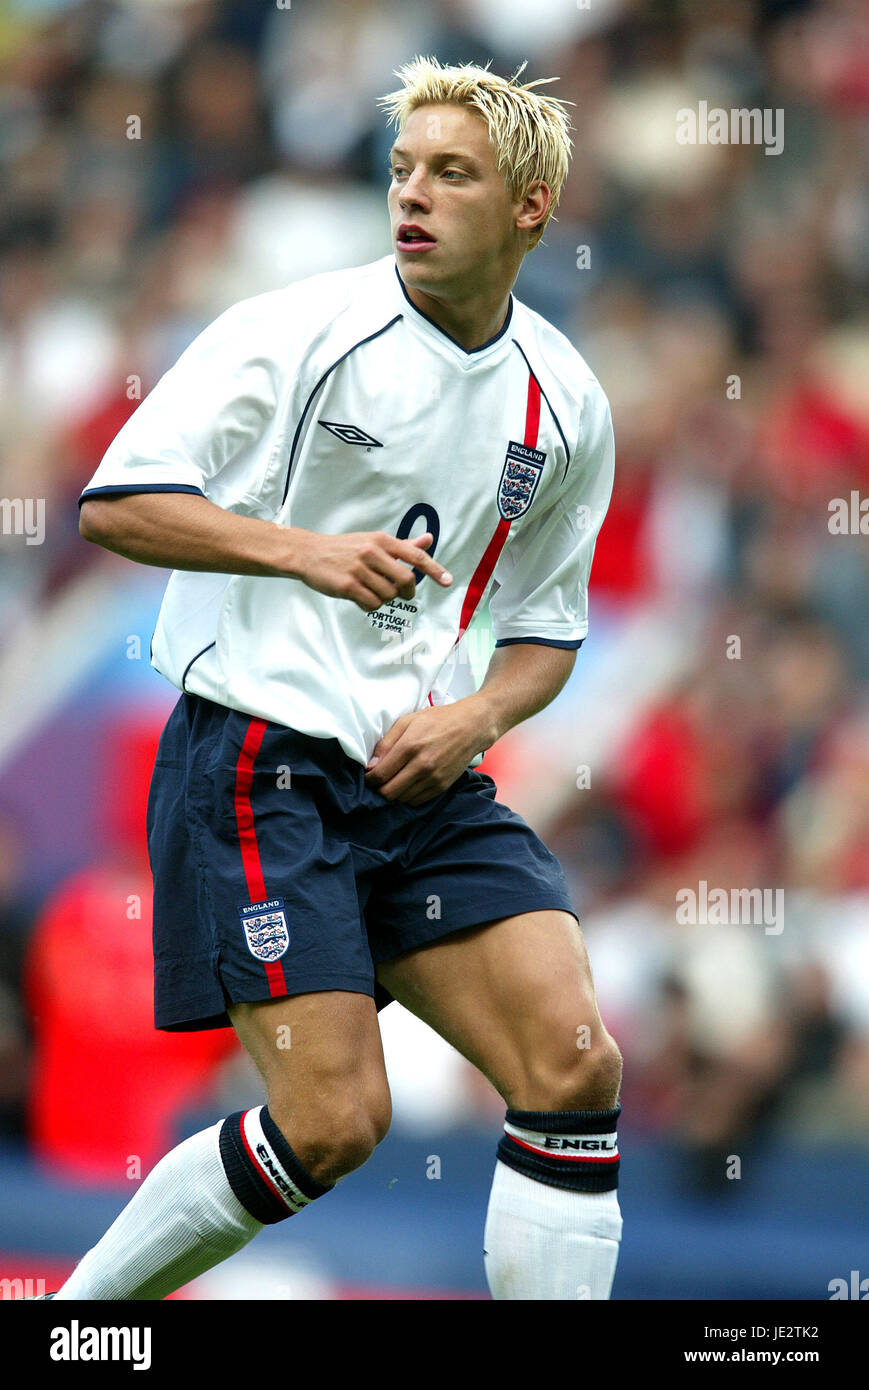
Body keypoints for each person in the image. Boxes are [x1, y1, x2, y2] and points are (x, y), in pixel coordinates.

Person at [54, 56, 621, 1301]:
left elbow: (547, 625)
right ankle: (82, 1322)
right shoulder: (298, 330)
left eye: (451, 174)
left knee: (574, 1065)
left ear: (529, 204)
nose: (411, 195)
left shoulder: (563, 401)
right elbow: (117, 502)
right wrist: (300, 551)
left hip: (419, 777)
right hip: (259, 766)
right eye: (403, 169)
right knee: (331, 1125)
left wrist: (475, 714)